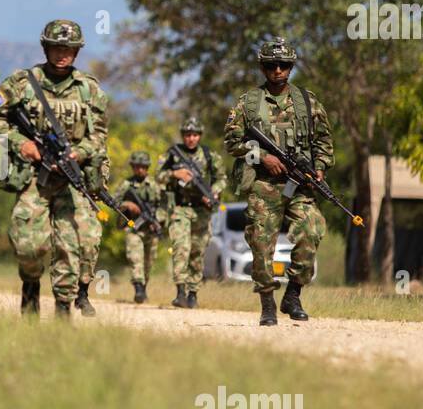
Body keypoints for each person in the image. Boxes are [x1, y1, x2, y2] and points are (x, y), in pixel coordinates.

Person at [0, 19, 109, 318]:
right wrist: (21, 143)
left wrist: (79, 154)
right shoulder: (21, 83)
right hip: (33, 177)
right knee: (28, 246)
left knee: (74, 242)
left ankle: (64, 308)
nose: (62, 54)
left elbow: (100, 136)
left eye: (69, 48)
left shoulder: (89, 89)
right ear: (45, 48)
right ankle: (30, 286)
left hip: (71, 177)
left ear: (77, 52)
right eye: (56, 47)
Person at [222, 38, 333, 326]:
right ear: (263, 67)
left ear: (291, 67)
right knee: (260, 243)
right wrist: (261, 157)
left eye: (284, 65)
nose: (278, 70)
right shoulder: (248, 103)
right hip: (263, 184)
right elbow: (232, 141)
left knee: (312, 228)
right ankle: (268, 304)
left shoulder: (307, 102)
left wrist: (318, 168)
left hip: (300, 184)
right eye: (272, 65)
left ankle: (293, 294)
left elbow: (324, 141)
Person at [159, 117, 227, 309]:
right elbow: (157, 176)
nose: (191, 138)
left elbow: (221, 178)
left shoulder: (209, 155)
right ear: (183, 135)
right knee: (181, 247)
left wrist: (213, 192)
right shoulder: (173, 154)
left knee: (197, 251)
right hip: (180, 208)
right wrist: (174, 174)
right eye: (188, 135)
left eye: (195, 134)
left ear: (200, 136)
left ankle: (193, 293)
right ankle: (180, 292)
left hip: (202, 209)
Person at [114, 152, 163, 304]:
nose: (139, 170)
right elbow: (114, 202)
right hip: (133, 226)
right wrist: (127, 205)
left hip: (151, 228)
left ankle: (143, 287)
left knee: (148, 263)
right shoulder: (126, 185)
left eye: (143, 167)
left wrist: (157, 220)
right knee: (135, 258)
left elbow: (164, 205)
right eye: (136, 167)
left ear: (147, 167)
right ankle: (138, 290)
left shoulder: (155, 186)